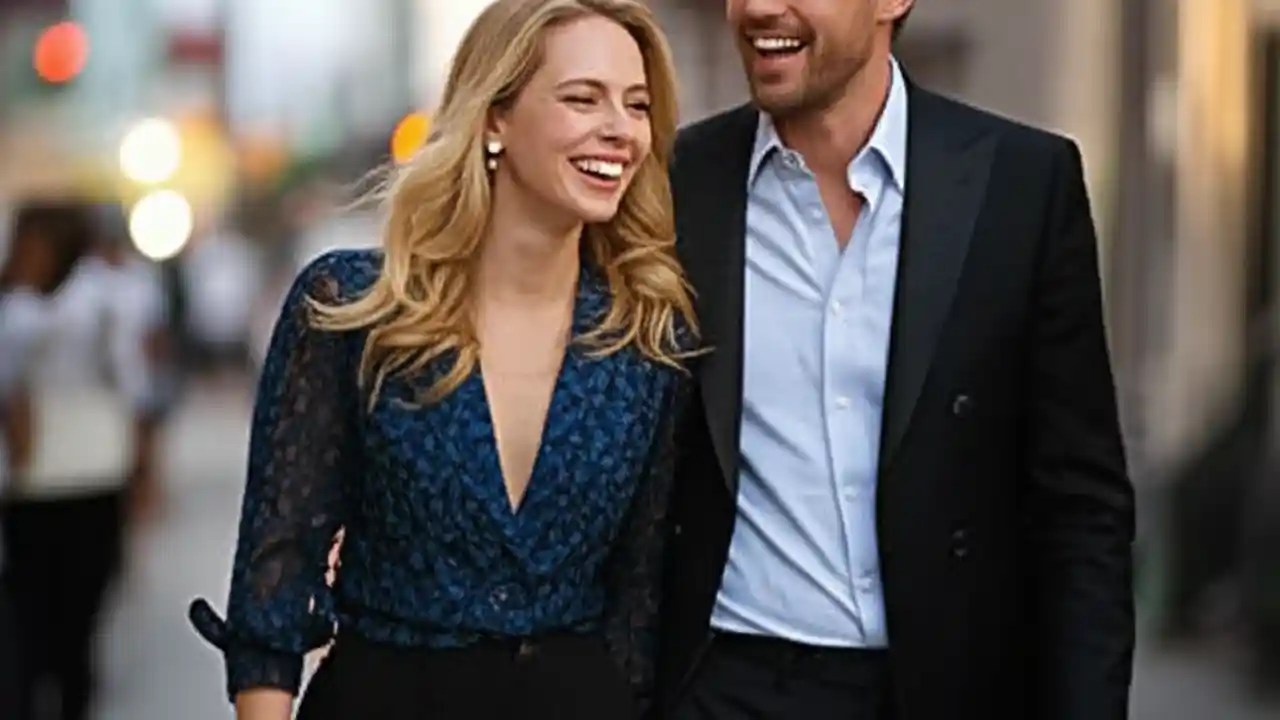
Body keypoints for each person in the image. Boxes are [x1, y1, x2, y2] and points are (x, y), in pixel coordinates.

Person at [186, 1, 695, 718]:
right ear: (495, 118)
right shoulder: (353, 308)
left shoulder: (646, 339)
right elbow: (275, 577)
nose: (620, 129)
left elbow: (640, 606)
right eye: (583, 98)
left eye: (637, 105)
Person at [658, 1, 1136, 718]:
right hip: (725, 683)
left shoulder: (1022, 186)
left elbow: (1081, 509)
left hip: (947, 685)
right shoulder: (679, 183)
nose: (757, 8)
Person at [0, 200, 163, 720]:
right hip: (34, 480)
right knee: (32, 618)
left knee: (74, 617)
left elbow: (133, 386)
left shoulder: (98, 301)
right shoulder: (20, 304)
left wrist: (142, 466)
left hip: (88, 471)